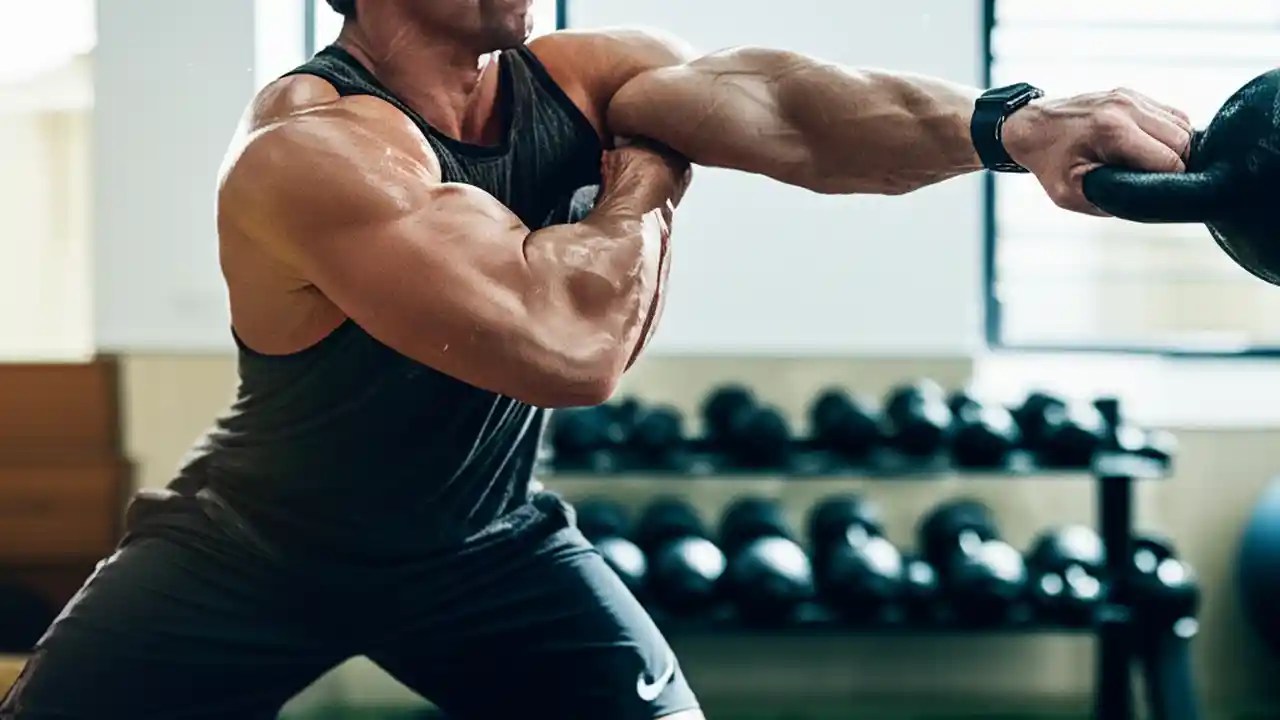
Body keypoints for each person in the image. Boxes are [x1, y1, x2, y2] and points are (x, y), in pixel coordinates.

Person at [1, 1, 1193, 718]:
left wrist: (1009, 125)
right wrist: (646, 176)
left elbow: (791, 110)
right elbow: (566, 346)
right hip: (248, 551)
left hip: (483, 546)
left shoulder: (579, 75)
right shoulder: (314, 152)